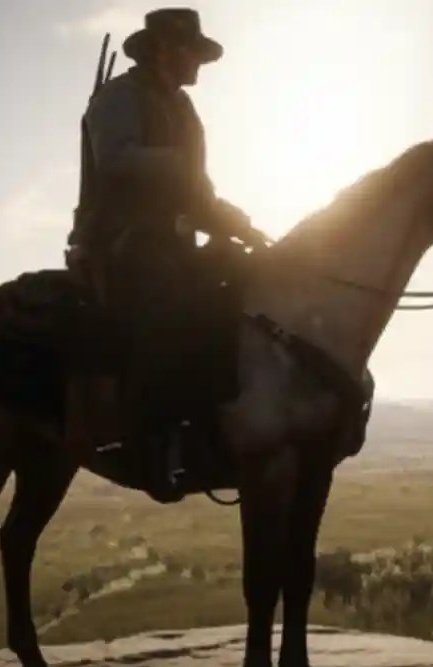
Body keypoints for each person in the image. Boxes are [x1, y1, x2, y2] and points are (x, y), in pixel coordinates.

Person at [67, 7, 265, 501]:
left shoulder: (183, 108)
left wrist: (240, 227)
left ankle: (218, 422)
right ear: (162, 51)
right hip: (121, 241)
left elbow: (198, 192)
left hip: (173, 242)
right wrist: (179, 166)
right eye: (189, 52)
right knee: (166, 307)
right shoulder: (117, 98)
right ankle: (151, 441)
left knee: (246, 283)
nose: (196, 62)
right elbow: (116, 161)